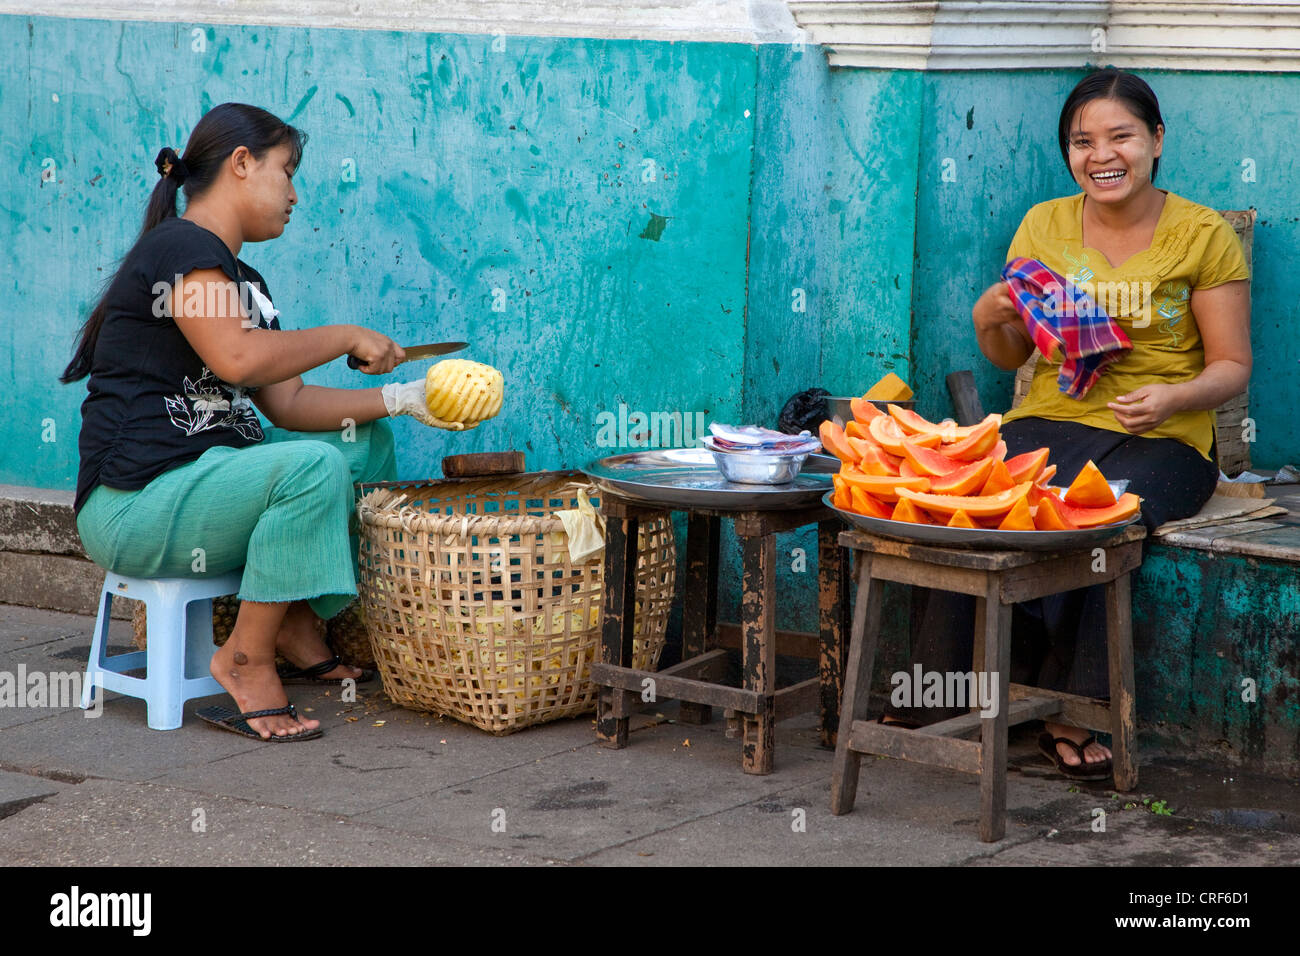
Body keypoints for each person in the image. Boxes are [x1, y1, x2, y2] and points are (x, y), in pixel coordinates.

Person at [885, 69, 1251, 778]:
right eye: (1082, 141)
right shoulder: (1043, 225)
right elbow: (1010, 354)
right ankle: (943, 692)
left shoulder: (1203, 235)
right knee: (959, 491)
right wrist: (987, 319)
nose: (1101, 154)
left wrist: (1173, 397)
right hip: (1049, 415)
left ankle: (1073, 708)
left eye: (1121, 136)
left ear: (1156, 140)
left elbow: (1232, 365)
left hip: (1163, 438)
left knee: (1093, 507)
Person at [64, 103, 465, 742]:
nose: (295, 194)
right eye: (288, 171)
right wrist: (345, 335)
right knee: (312, 468)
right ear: (242, 164)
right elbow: (238, 357)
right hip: (134, 503)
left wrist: (399, 399)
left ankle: (297, 617)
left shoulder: (243, 277)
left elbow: (287, 404)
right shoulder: (179, 247)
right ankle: (245, 658)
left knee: (362, 446)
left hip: (204, 478)